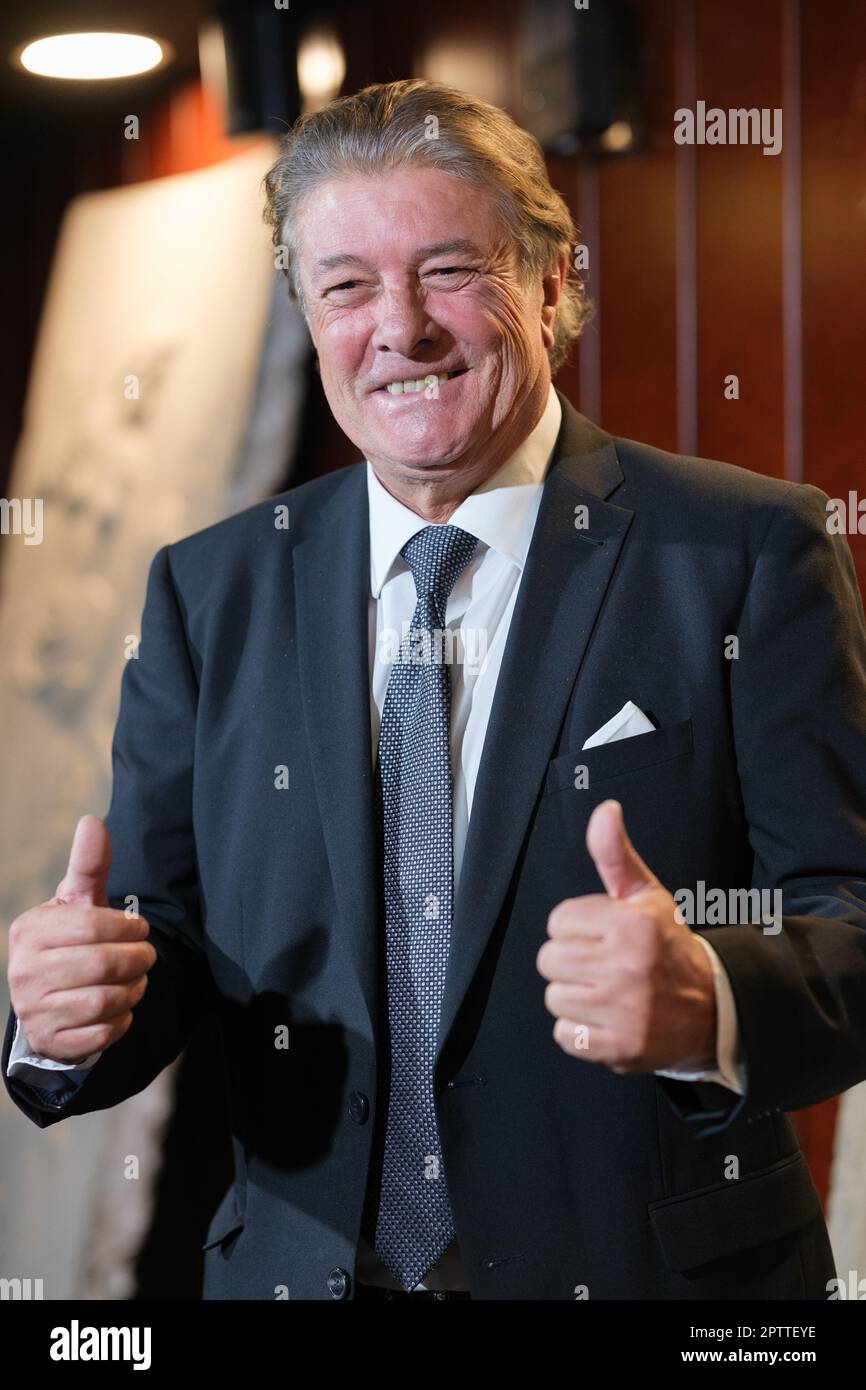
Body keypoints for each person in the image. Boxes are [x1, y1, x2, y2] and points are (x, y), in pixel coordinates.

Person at [5, 79, 866, 1301]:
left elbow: (849, 909)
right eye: (345, 285)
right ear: (306, 311)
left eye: (449, 269)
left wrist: (713, 997)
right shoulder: (211, 589)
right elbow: (168, 937)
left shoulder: (741, 550)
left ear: (556, 281)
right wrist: (66, 1012)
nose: (396, 329)